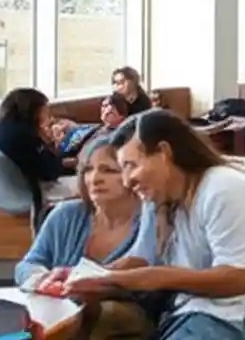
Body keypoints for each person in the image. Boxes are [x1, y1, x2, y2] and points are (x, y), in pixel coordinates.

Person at [69, 111, 245, 340]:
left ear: (163, 153)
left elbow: (238, 280)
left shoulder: (224, 188)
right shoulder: (156, 198)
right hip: (192, 307)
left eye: (132, 165)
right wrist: (87, 275)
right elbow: (142, 260)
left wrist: (158, 277)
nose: (127, 181)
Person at [16, 136, 150, 338]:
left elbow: (153, 290)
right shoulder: (65, 214)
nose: (94, 178)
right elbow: (28, 264)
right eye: (88, 169)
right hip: (59, 315)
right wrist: (42, 279)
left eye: (109, 170)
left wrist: (96, 287)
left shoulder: (151, 222)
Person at [0, 88, 67, 199]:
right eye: (45, 111)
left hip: (11, 191)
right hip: (35, 192)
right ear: (34, 111)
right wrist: (54, 144)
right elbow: (51, 173)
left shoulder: (3, 127)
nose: (48, 117)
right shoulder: (25, 135)